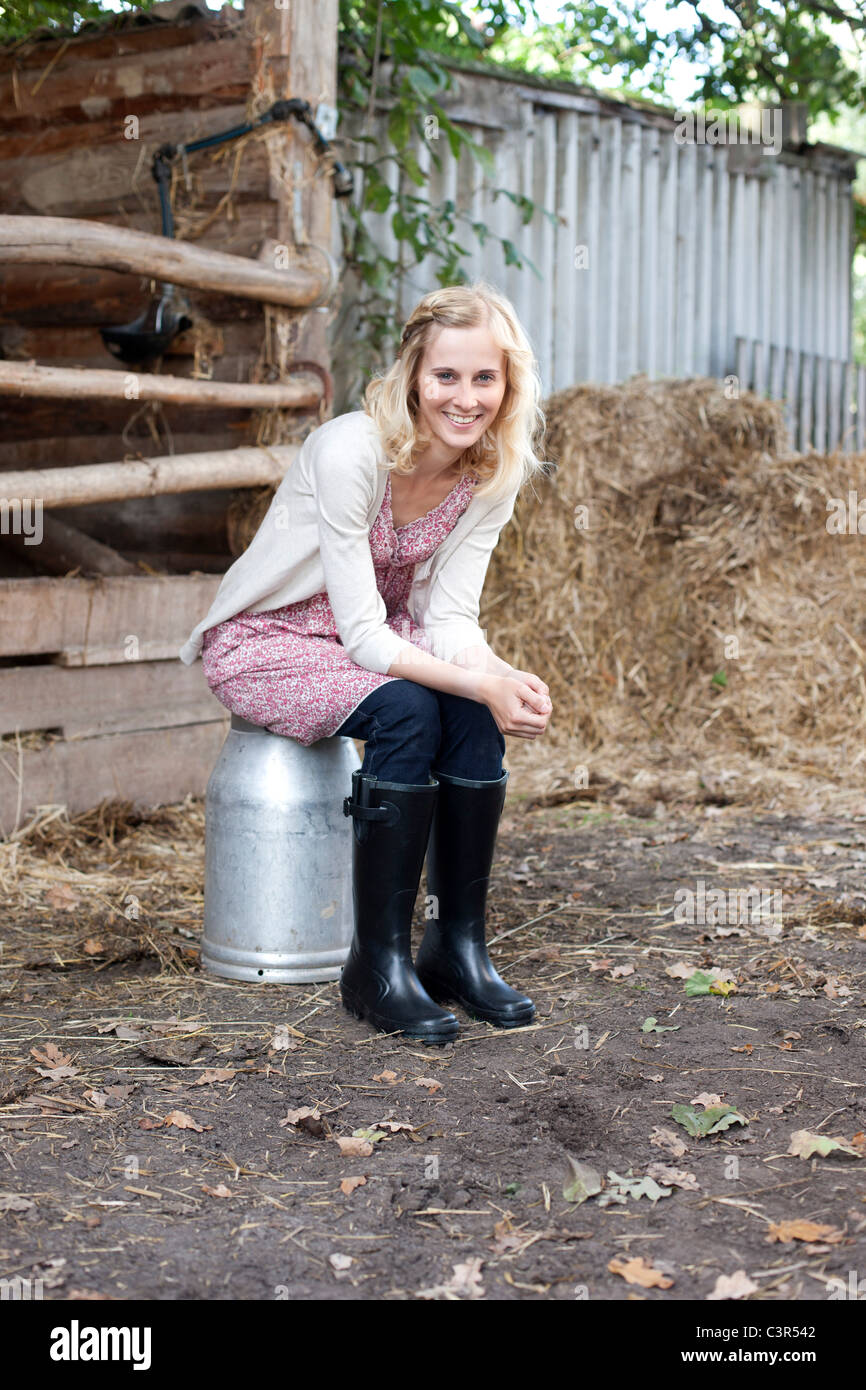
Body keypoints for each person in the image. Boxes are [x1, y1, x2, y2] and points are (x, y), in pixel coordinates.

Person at [180, 281, 552, 1045]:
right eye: (447, 375)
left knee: (471, 706)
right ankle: (375, 965)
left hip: (374, 640)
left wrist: (497, 678)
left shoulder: (493, 472)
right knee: (407, 707)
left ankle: (455, 948)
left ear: (509, 383)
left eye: (486, 378)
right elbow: (365, 639)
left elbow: (448, 618)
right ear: (414, 371)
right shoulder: (351, 449)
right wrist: (477, 678)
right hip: (272, 641)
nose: (466, 397)